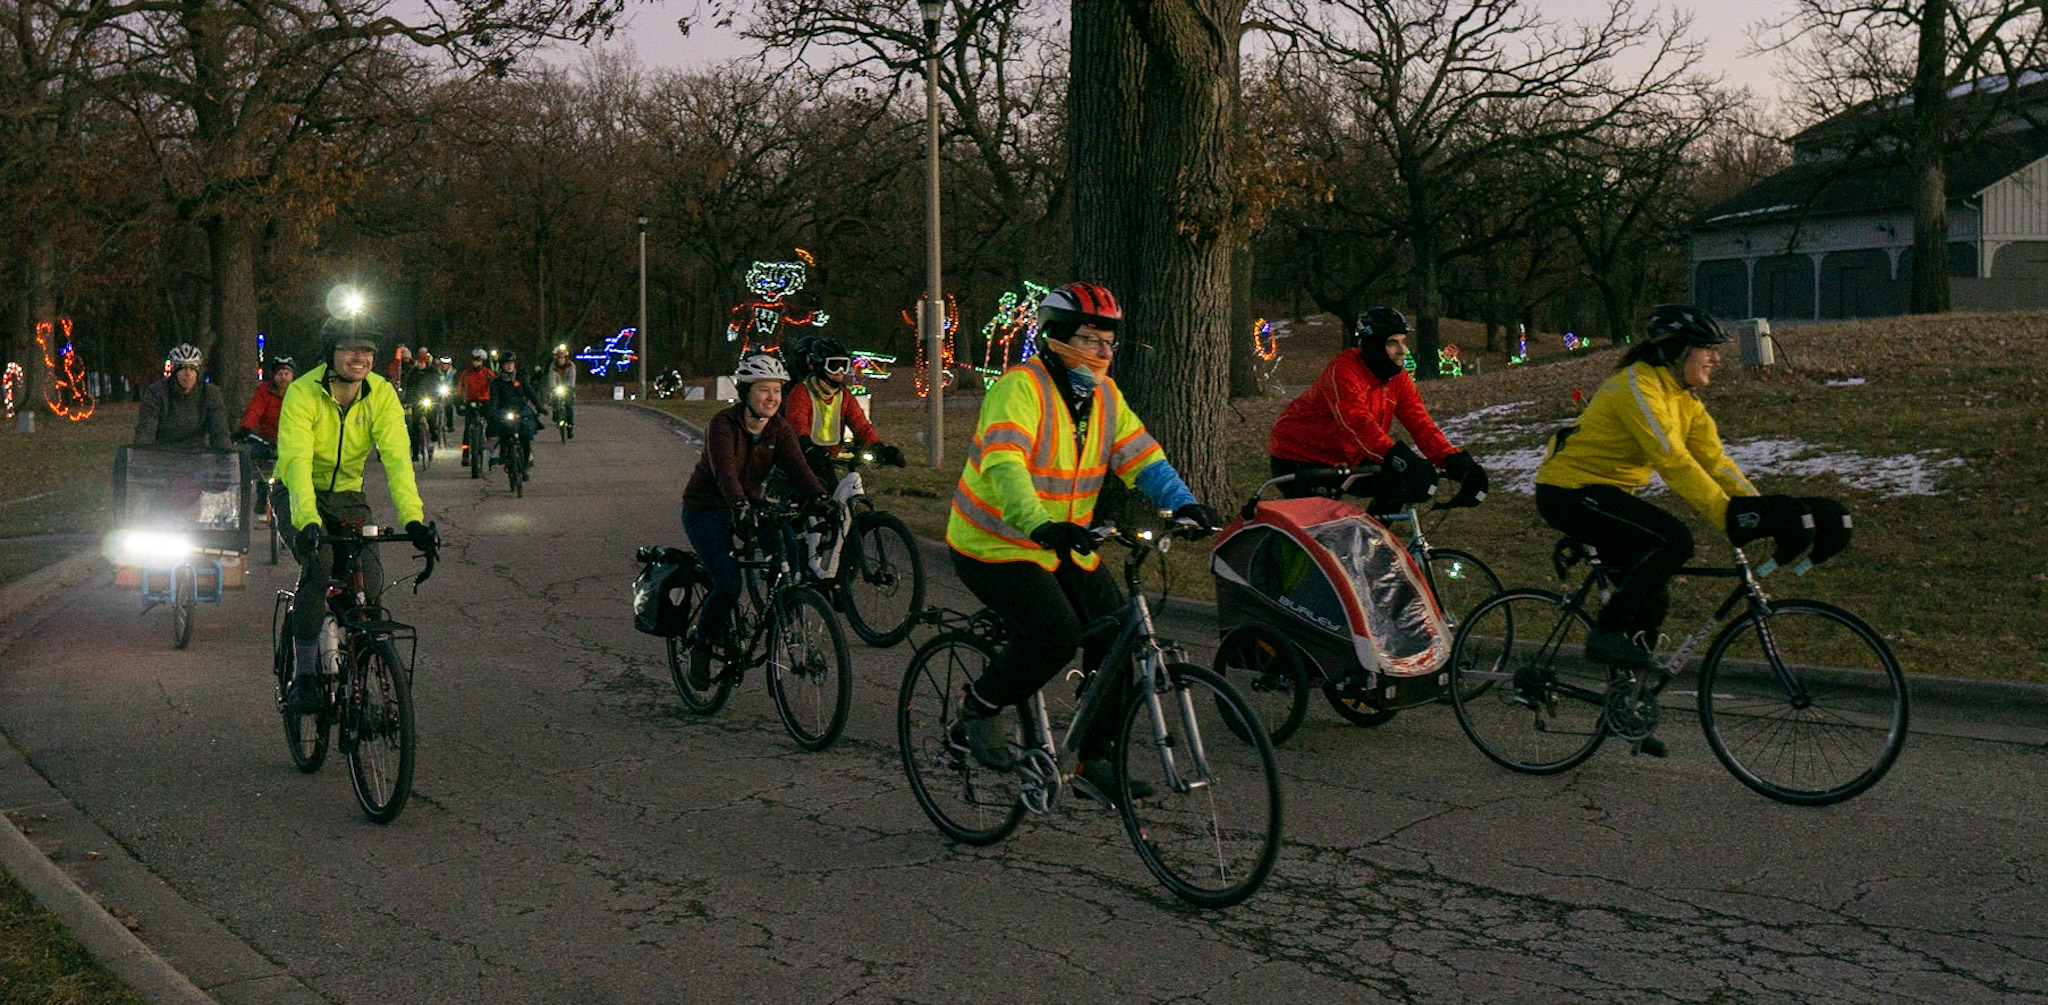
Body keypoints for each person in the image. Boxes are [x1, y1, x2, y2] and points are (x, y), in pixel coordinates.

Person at [947, 281, 1221, 806]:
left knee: (1120, 634)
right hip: (995, 545)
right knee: (1054, 634)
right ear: (1057, 338)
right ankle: (979, 705)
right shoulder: (1019, 388)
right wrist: (1037, 523)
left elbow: (1141, 457)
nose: (1103, 351)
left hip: (1063, 542)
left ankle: (1093, 758)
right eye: (1091, 339)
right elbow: (1006, 465)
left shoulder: (1104, 396)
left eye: (1108, 342)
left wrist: (1183, 503)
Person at [1534, 304, 1838, 754]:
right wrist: (1728, 518)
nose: (1716, 358)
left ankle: (1625, 707)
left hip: (1611, 494)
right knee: (1673, 539)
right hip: (1569, 490)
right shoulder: (1636, 386)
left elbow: (1716, 462)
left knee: (1653, 598)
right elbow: (1673, 461)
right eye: (1707, 350)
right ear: (1677, 351)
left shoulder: (1684, 400)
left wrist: (1762, 513)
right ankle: (1603, 635)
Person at [275, 323, 431, 712]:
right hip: (297, 492)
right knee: (320, 562)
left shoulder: (381, 394)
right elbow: (296, 462)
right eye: (350, 349)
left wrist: (414, 521)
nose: (360, 358)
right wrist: (308, 522)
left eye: (368, 351)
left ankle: (363, 670)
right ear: (331, 353)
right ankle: (307, 677)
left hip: (347, 495)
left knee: (370, 579)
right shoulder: (302, 392)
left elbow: (397, 459)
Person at [679, 354, 832, 687]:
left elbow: (799, 470)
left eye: (777, 391)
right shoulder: (723, 424)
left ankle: (782, 618)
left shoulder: (778, 427)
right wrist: (738, 505)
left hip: (751, 503)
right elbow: (725, 472)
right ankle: (701, 645)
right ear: (745, 392)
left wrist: (822, 500)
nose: (772, 398)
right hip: (707, 507)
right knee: (729, 583)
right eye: (764, 390)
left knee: (789, 553)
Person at [1266, 307, 1487, 510]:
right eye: (1393, 343)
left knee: (1396, 485)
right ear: (1372, 345)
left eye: (1404, 341)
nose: (1402, 350)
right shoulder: (1344, 370)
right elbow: (1356, 423)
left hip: (1348, 454)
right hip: (1299, 455)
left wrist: (1454, 461)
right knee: (1317, 527)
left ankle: (1374, 548)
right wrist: (1399, 458)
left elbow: (1421, 424)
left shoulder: (1397, 378)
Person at [780, 335, 906, 488]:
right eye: (834, 366)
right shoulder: (801, 392)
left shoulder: (844, 395)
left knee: (843, 498)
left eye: (844, 366)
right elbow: (797, 423)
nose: (840, 372)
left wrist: (879, 447)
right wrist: (807, 446)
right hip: (803, 458)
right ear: (819, 366)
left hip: (829, 457)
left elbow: (861, 425)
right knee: (822, 499)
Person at [134, 343, 232, 449]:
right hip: (163, 453)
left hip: (197, 454)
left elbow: (220, 431)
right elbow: (145, 431)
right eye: (183, 368)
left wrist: (225, 456)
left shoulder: (210, 393)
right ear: (175, 372)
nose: (188, 374)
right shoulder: (156, 393)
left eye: (192, 368)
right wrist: (141, 456)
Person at [487, 350, 546, 473]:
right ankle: (498, 453)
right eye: (506, 363)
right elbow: (494, 399)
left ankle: (527, 457)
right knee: (499, 428)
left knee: (525, 434)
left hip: (521, 409)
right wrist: (492, 410)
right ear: (502, 365)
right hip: (505, 409)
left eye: (511, 363)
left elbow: (530, 392)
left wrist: (539, 406)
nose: (509, 366)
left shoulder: (521, 378)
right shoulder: (496, 382)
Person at [233, 355, 296, 457]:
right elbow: (255, 410)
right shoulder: (265, 391)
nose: (283, 378)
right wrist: (245, 428)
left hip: (293, 440)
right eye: (279, 374)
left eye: (286, 374)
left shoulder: (298, 392)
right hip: (268, 439)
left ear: (292, 375)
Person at [459, 347, 494, 463]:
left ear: (483, 361)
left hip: (485, 400)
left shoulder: (488, 373)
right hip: (471, 400)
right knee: (467, 427)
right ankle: (465, 453)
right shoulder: (466, 373)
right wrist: (459, 399)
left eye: (478, 360)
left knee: (491, 421)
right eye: (474, 360)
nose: (476, 362)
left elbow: (495, 385)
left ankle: (489, 443)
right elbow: (459, 387)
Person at [543, 344, 576, 439]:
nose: (561, 360)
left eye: (563, 358)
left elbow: (572, 378)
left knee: (568, 406)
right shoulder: (553, 367)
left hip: (568, 387)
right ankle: (556, 415)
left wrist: (570, 387)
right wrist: (552, 387)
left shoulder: (571, 366)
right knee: (555, 400)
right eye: (559, 358)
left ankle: (570, 426)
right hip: (557, 387)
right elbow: (551, 378)